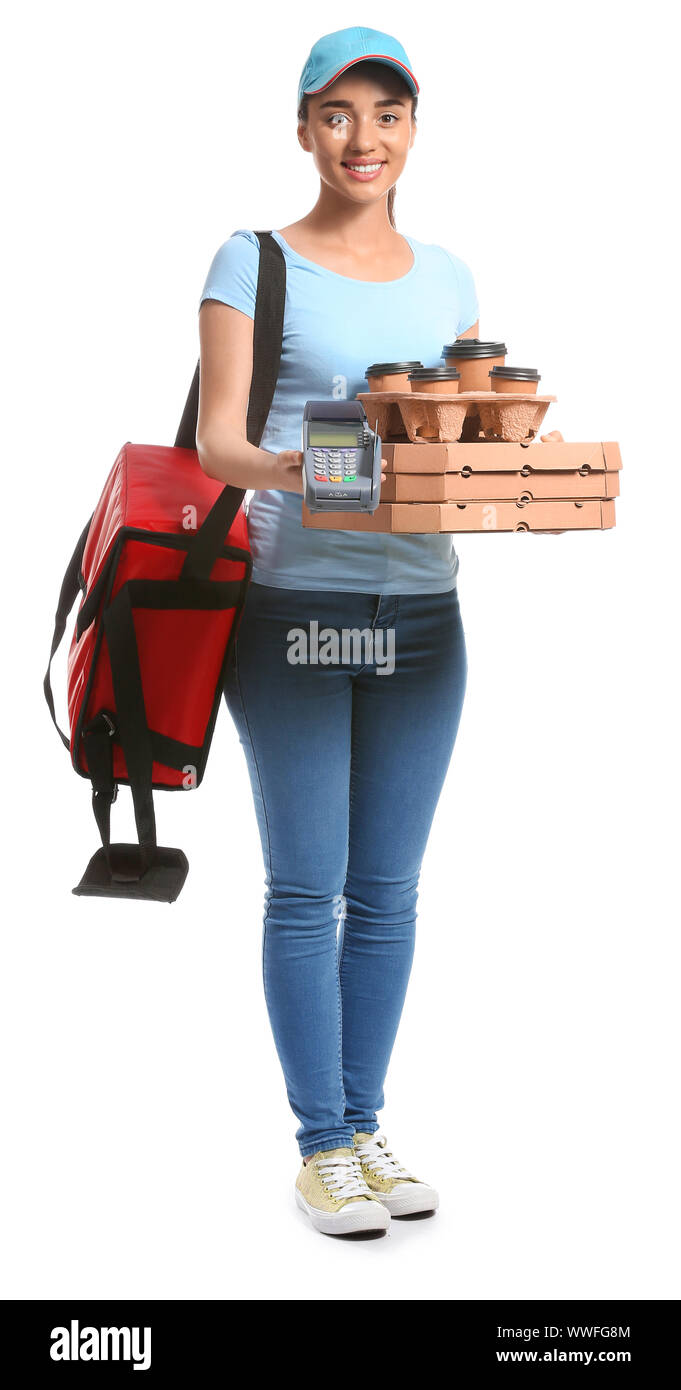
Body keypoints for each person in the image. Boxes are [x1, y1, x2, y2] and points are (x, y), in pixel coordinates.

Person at [196, 26, 548, 1237]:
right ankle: (321, 1147)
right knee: (310, 888)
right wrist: (312, 467)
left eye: (387, 115)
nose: (364, 139)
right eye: (338, 115)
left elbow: (451, 429)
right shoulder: (250, 263)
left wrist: (507, 468)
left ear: (413, 130)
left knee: (389, 892)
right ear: (303, 129)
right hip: (296, 612)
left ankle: (365, 1123)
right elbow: (220, 448)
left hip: (424, 618)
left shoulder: (450, 276)